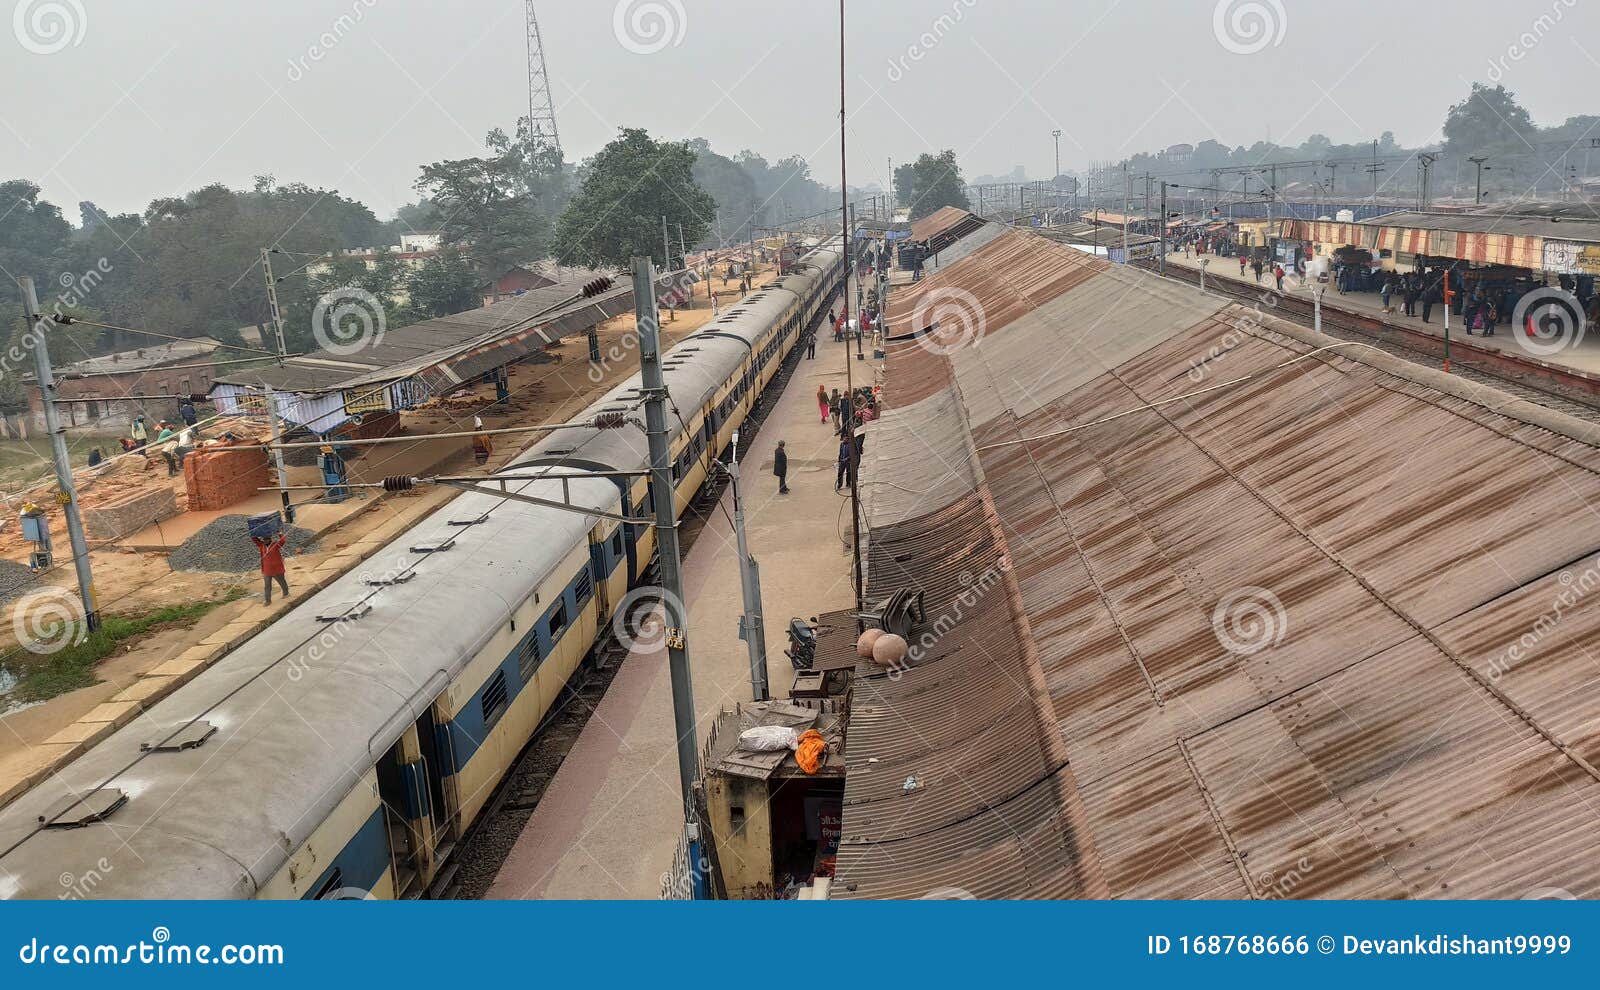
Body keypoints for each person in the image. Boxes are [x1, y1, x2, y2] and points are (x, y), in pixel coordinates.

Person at [254, 530, 290, 605]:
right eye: (264, 539)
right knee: (267, 586)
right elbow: (255, 540)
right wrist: (253, 533)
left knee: (282, 582)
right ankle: (268, 601)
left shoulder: (276, 545)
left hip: (277, 569)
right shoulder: (261, 546)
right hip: (267, 570)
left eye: (267, 539)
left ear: (270, 539)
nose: (265, 541)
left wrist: (280, 533)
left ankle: (286, 593)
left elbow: (282, 541)